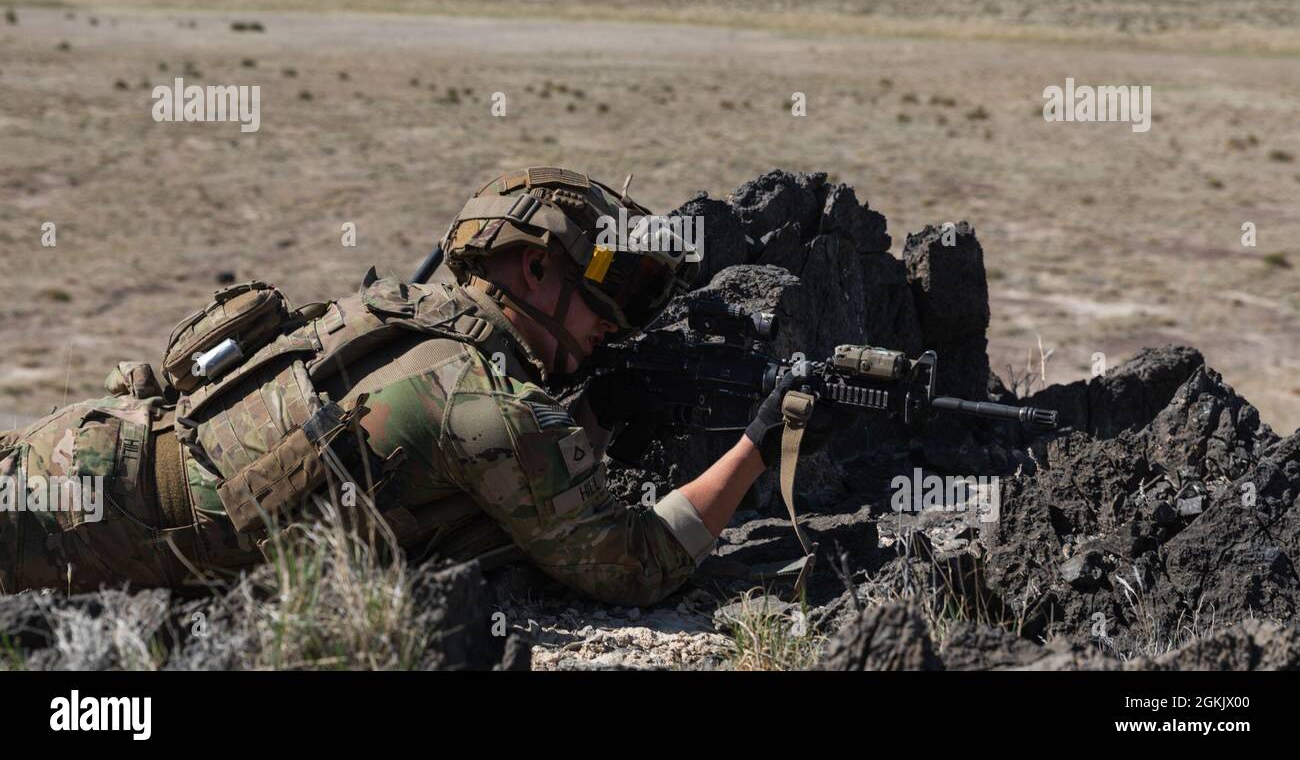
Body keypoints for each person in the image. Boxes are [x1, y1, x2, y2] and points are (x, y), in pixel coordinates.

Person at [0, 167, 823, 605]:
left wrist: (592, 414)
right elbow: (637, 565)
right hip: (85, 525)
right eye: (611, 287)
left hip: (82, 448)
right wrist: (760, 442)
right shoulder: (486, 403)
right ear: (535, 266)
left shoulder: (399, 312)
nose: (622, 319)